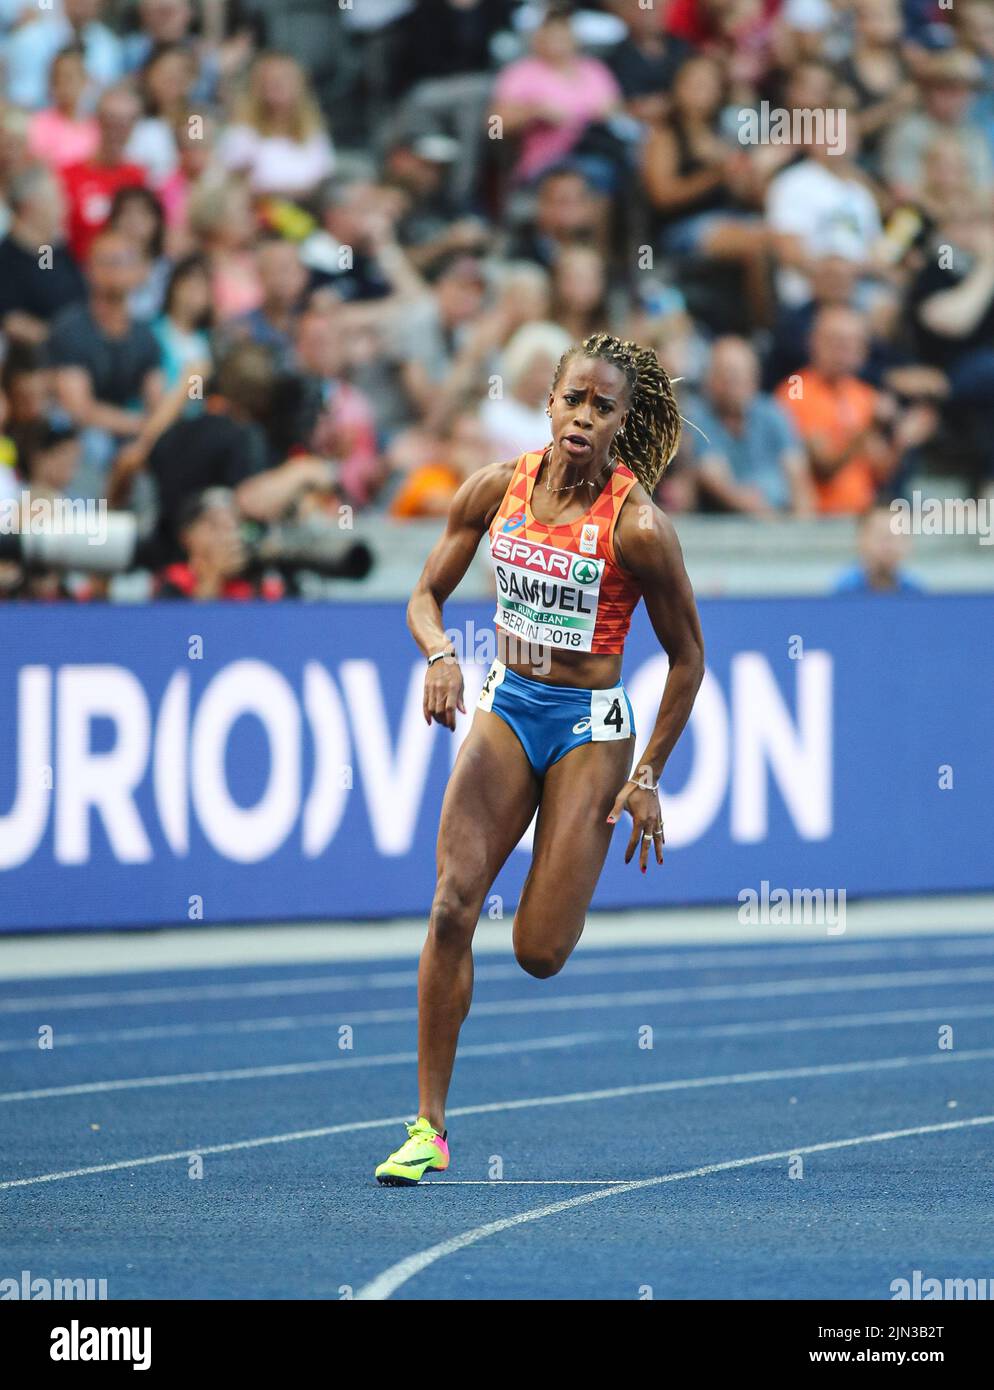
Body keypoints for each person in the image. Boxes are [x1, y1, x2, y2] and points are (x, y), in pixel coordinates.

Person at [374, 331, 705, 1184]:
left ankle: (560, 858)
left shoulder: (640, 529)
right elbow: (423, 594)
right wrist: (441, 654)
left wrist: (646, 776)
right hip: (508, 706)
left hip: (590, 727)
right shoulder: (496, 489)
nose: (583, 418)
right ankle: (428, 1127)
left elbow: (688, 658)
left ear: (622, 423)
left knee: (538, 952)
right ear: (548, 402)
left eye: (603, 408)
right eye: (573, 400)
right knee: (451, 906)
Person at [46, 227, 164, 498]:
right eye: (109, 261)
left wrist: (148, 432)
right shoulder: (70, 328)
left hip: (125, 434)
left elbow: (156, 401)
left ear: (141, 271)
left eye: (126, 261)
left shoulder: (145, 335)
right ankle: (83, 523)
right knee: (94, 443)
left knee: (156, 447)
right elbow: (79, 409)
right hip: (77, 434)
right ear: (89, 269)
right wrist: (141, 425)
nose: (117, 269)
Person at [687, 337, 812, 515]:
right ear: (710, 380)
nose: (733, 384)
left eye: (740, 376)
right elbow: (717, 481)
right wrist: (771, 522)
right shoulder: (698, 418)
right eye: (726, 375)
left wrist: (803, 526)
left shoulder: (773, 412)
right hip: (726, 526)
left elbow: (798, 476)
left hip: (783, 517)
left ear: (755, 378)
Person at [60, 82, 146, 263]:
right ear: (97, 121)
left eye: (124, 124)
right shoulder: (68, 176)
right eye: (110, 122)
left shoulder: (140, 179)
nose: (116, 131)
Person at [0, 166, 87, 344]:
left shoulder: (46, 250)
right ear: (30, 205)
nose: (65, 204)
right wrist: (61, 341)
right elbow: (11, 320)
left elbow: (48, 280)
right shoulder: (7, 258)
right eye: (57, 197)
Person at [833, 505, 923, 594]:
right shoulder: (841, 595)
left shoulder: (917, 595)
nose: (888, 544)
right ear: (860, 540)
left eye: (897, 536)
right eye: (880, 534)